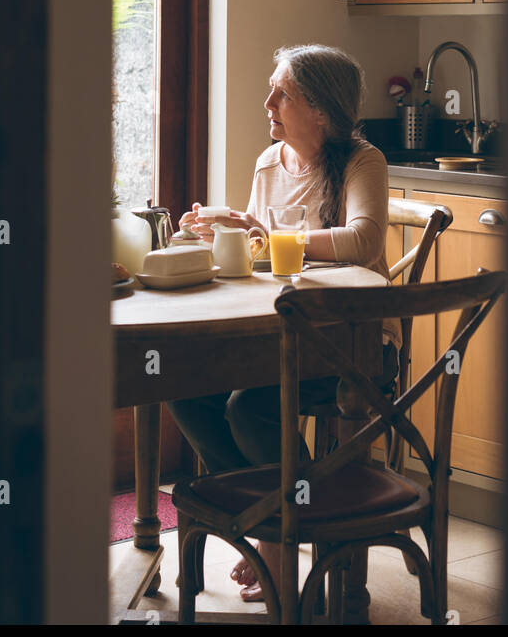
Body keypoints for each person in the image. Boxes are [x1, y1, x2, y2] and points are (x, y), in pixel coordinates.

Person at [167, 43, 400, 603]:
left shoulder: (362, 161)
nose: (267, 101)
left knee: (250, 407)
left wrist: (271, 237)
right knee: (183, 387)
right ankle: (271, 524)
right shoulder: (268, 162)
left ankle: (279, 545)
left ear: (320, 110)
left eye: (283, 93)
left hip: (349, 343)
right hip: (279, 334)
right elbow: (261, 255)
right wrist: (228, 231)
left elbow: (364, 239)